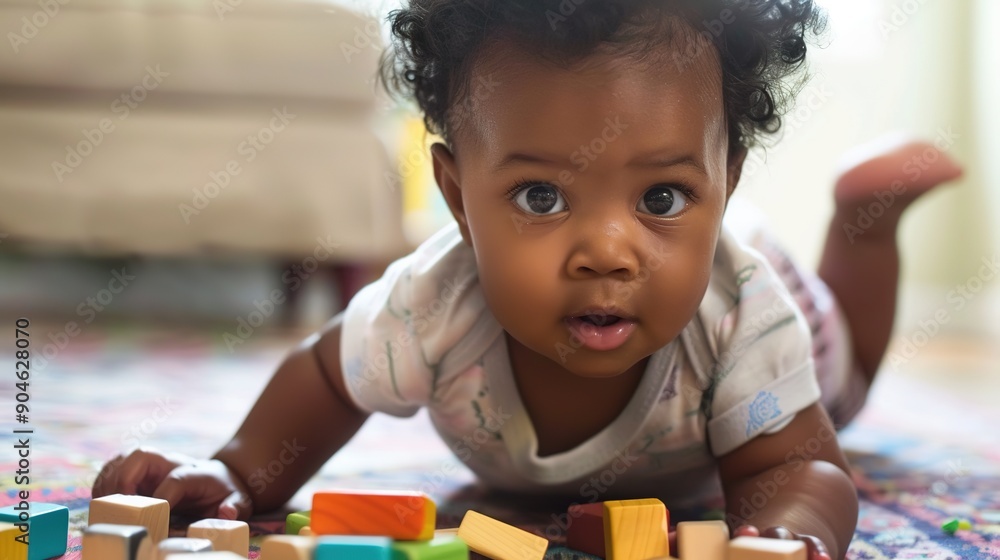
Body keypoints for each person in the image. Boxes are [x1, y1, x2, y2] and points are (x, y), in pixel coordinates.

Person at [92, 1, 964, 558]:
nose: (608, 252)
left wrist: (790, 532)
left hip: (792, 317)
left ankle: (865, 221)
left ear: (725, 185)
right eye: (541, 196)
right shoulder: (433, 301)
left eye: (663, 195)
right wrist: (242, 473)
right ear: (458, 196)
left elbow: (798, 468)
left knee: (844, 385)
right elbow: (327, 374)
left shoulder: (744, 315)